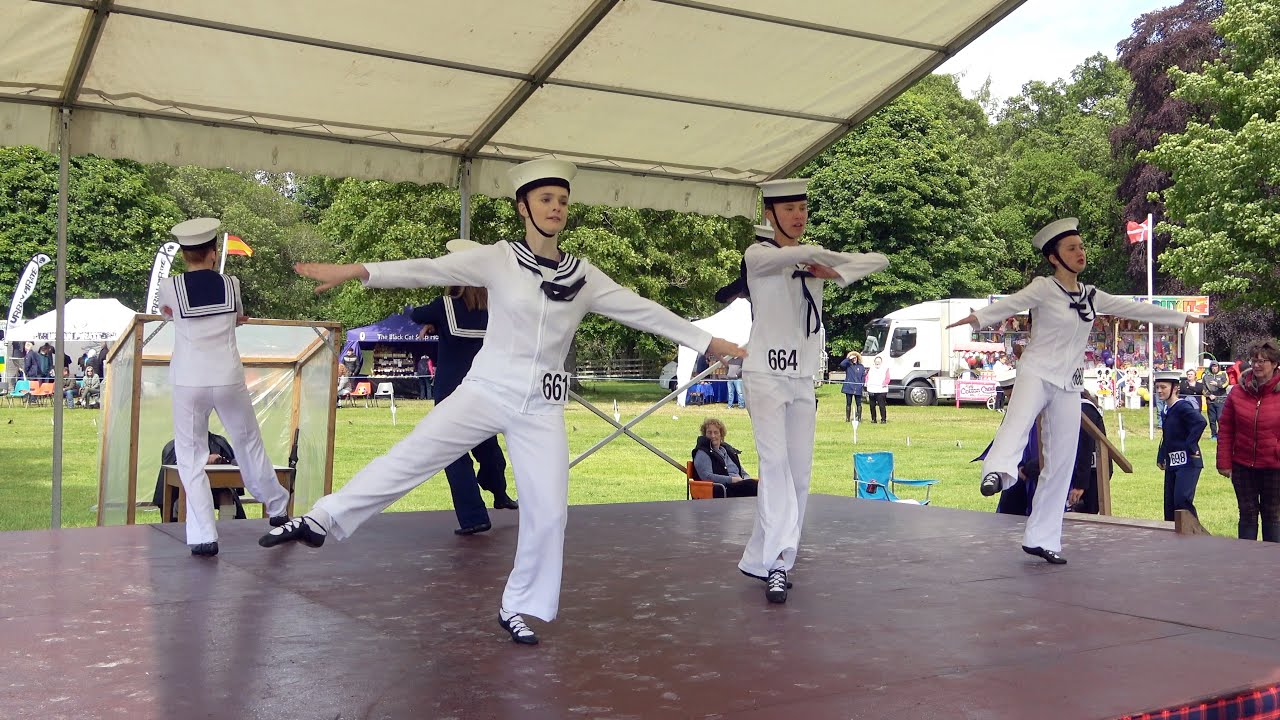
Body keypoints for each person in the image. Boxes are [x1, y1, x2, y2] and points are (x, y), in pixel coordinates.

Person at [261, 159, 747, 645]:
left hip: (542, 408)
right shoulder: (498, 258)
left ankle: (519, 606)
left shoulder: (585, 276)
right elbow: (427, 271)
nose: (555, 208)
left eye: (561, 201)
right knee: (411, 456)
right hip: (485, 391)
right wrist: (357, 270)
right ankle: (320, 520)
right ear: (523, 207)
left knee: (550, 511)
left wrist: (707, 341)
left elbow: (642, 311)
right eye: (545, 200)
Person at [951, 217, 1207, 564]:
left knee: (1062, 460)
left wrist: (1180, 318)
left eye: (1081, 246)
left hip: (1069, 382)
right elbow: (1011, 303)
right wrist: (976, 319)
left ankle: (1042, 538)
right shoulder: (1043, 287)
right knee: (1017, 423)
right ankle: (997, 472)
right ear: (1054, 257)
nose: (1080, 252)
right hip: (1036, 372)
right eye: (1072, 248)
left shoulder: (1090, 294)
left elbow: (1132, 308)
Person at [714, 178, 888, 604]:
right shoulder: (758, 255)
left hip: (801, 378)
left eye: (803, 208)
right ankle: (779, 562)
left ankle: (763, 558)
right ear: (770, 215)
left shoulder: (810, 261)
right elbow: (789, 257)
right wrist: (817, 261)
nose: (798, 216)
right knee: (773, 467)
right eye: (789, 209)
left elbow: (879, 260)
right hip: (764, 376)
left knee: (799, 473)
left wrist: (829, 267)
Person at [157, 218, 292, 557]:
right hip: (228, 376)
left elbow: (167, 314)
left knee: (190, 457)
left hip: (189, 380)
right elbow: (237, 316)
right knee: (248, 441)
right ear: (213, 253)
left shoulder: (170, 286)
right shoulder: (231, 284)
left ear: (184, 254)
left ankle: (203, 535)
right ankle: (276, 506)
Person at [411, 272, 518, 536]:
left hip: (451, 392)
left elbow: (414, 314)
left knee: (455, 456)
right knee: (488, 446)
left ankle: (473, 517)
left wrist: (436, 324)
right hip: (485, 389)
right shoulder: (496, 309)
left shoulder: (443, 307)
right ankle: (500, 492)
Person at [1216, 340, 1280, 542]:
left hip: (1274, 466)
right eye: (1254, 360)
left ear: (1275, 364)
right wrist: (1224, 463)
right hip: (1243, 465)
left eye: (1264, 361)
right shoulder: (1237, 392)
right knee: (1247, 515)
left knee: (1273, 516)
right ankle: (1244, 565)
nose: (1258, 365)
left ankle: (1272, 566)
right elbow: (1226, 428)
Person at [151, 432, 241, 522]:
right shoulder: (174, 446)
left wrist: (222, 460)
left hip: (215, 488)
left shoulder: (218, 442)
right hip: (185, 489)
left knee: (227, 494)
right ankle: (180, 528)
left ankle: (227, 527)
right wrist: (204, 460)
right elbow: (174, 469)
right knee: (183, 497)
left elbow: (232, 461)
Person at [1154, 370, 1205, 521]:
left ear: (1175, 388)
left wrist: (1190, 444)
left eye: (1163, 387)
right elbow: (1167, 435)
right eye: (1157, 387)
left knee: (1182, 502)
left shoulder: (1182, 406)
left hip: (1188, 462)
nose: (1159, 391)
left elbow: (1200, 422)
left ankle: (1194, 538)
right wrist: (1161, 455)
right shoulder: (1166, 410)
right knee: (1170, 507)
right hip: (1172, 462)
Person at [691, 417, 758, 498]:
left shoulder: (727, 450)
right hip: (720, 489)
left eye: (716, 432)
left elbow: (741, 470)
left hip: (738, 485)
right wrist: (732, 480)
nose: (713, 436)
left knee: (761, 485)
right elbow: (707, 476)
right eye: (709, 432)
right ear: (704, 434)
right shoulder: (702, 452)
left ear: (721, 434)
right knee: (753, 486)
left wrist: (747, 479)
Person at [1202, 361, 1229, 439]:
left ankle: (1222, 434)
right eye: (1213, 367)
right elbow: (1203, 389)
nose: (1214, 368)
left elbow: (1225, 384)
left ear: (1218, 367)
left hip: (1221, 401)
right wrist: (1209, 395)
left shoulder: (1223, 375)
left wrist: (1217, 384)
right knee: (1212, 419)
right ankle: (1214, 435)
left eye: (1216, 366)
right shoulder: (1206, 376)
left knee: (1220, 418)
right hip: (1210, 401)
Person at [839, 351, 866, 423]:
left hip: (858, 387)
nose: (854, 359)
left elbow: (863, 376)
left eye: (855, 357)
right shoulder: (848, 366)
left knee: (859, 403)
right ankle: (847, 418)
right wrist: (848, 359)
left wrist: (862, 383)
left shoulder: (861, 366)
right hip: (849, 387)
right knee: (848, 403)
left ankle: (859, 418)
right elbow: (841, 364)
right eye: (852, 358)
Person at [865, 355, 890, 424]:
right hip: (872, 390)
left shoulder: (885, 368)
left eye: (879, 361)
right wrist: (866, 383)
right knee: (872, 406)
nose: (877, 363)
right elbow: (867, 377)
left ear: (881, 362)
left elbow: (887, 378)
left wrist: (884, 384)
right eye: (876, 361)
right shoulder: (871, 369)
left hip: (881, 390)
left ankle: (883, 419)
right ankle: (873, 419)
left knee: (881, 406)